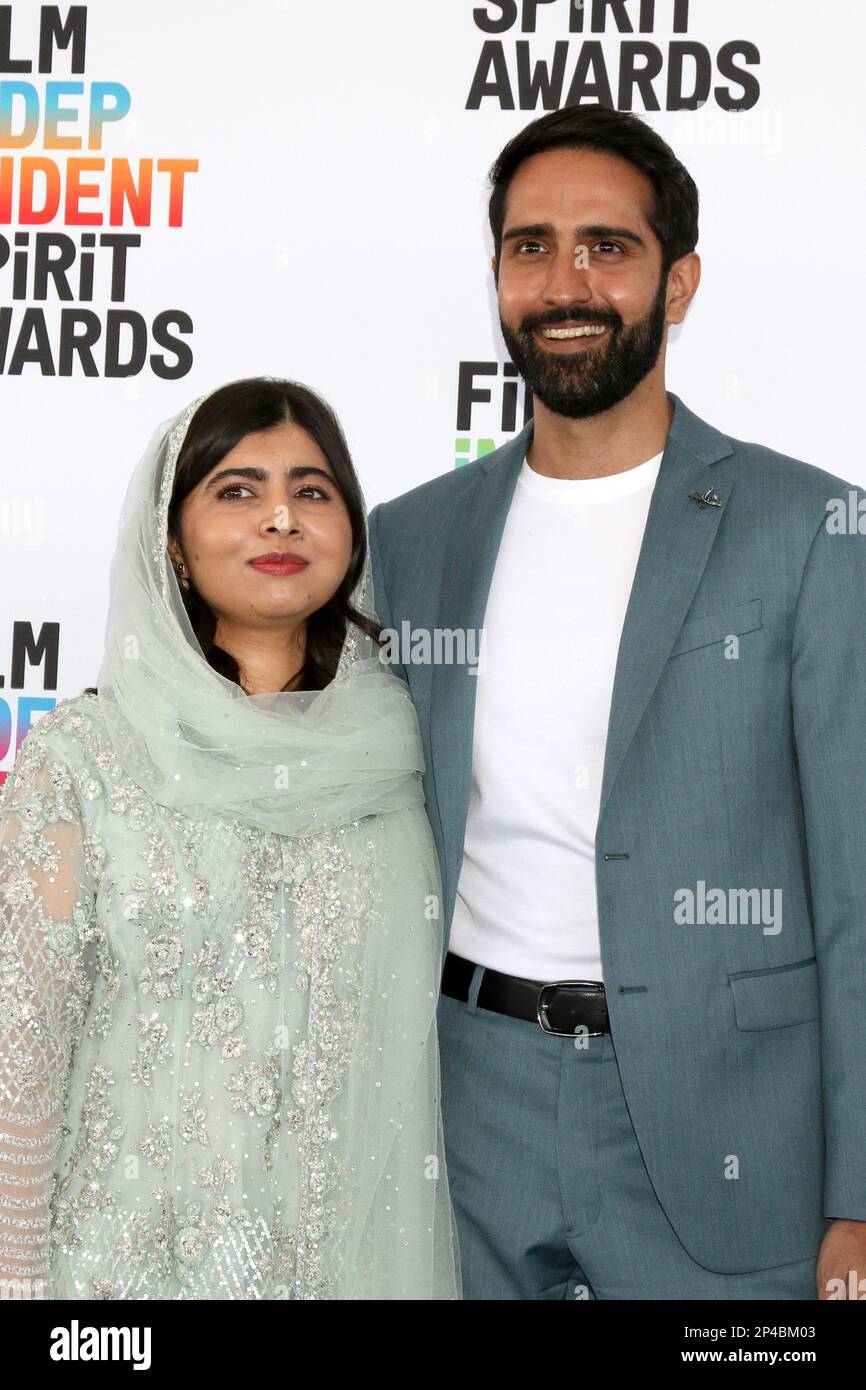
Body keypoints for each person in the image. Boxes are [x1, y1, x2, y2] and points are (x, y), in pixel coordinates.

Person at [368, 103, 866, 1300]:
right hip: (463, 1105)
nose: (564, 283)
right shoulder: (409, 538)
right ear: (497, 278)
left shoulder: (808, 529)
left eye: (606, 246)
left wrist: (856, 1193)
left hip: (728, 1120)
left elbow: (857, 885)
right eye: (529, 247)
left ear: (676, 281)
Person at [0, 377, 461, 1300]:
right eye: (238, 490)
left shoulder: (410, 754)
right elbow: (24, 1055)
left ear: (352, 534)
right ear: (173, 543)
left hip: (350, 1269)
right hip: (121, 1279)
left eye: (312, 491)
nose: (280, 518)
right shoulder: (86, 760)